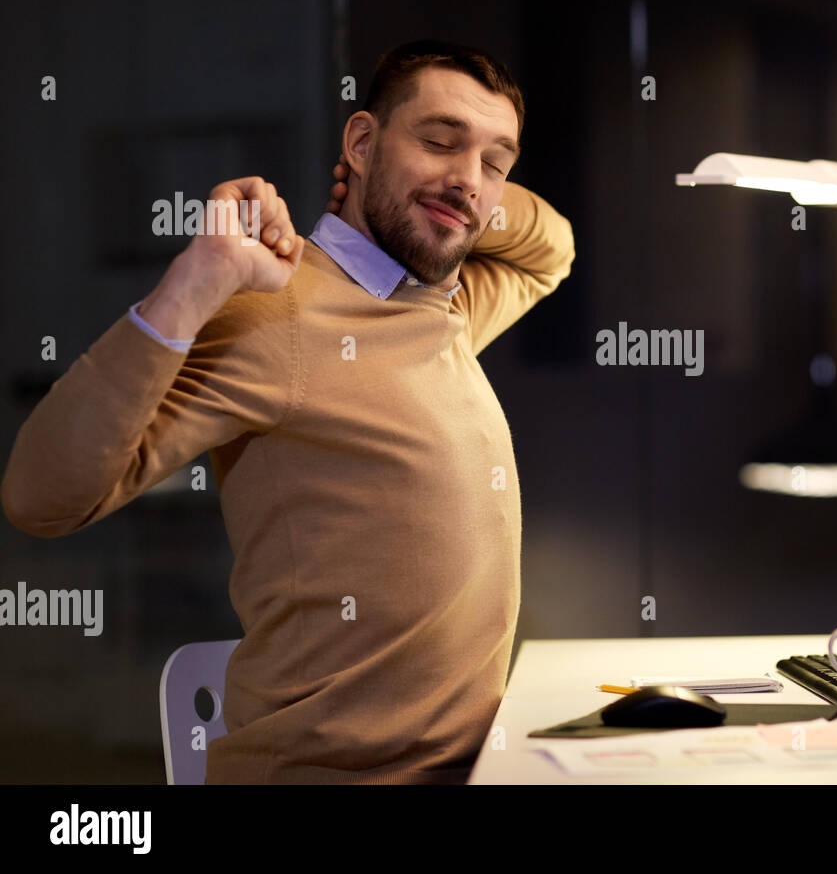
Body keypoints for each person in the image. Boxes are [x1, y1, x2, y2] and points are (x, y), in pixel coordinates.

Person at [1, 39, 575, 783]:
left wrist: (454, 193)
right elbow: (39, 498)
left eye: (497, 160)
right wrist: (196, 281)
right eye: (438, 141)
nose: (471, 177)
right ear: (362, 143)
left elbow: (552, 248)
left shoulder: (450, 306)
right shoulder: (274, 313)